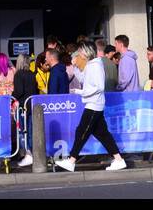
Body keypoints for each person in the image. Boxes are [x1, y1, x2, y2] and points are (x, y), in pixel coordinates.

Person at [53, 42, 129, 172]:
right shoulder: (91, 66)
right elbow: (83, 80)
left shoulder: (95, 66)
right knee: (102, 134)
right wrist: (75, 67)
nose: (79, 55)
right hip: (93, 103)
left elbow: (99, 86)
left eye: (81, 52)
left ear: (87, 53)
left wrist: (81, 92)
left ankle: (71, 160)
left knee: (81, 131)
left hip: (94, 104)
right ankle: (118, 159)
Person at [13, 51, 39, 168]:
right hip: (31, 105)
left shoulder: (18, 75)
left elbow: (19, 91)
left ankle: (28, 154)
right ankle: (31, 152)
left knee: (22, 131)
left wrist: (12, 96)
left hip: (23, 106)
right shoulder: (32, 74)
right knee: (30, 130)